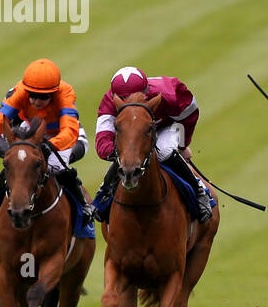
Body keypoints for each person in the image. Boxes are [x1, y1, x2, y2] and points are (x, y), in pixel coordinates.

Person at [0, 59, 93, 233]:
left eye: (43, 97)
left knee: (57, 167)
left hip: (58, 134)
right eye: (32, 95)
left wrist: (51, 146)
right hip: (32, 127)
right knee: (18, 163)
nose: (36, 101)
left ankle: (83, 206)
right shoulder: (19, 93)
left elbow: (69, 131)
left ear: (53, 93)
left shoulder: (65, 94)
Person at [91, 66, 213, 224]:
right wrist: (127, 151)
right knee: (126, 158)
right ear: (116, 99)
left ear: (146, 92)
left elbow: (189, 114)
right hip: (132, 136)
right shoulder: (108, 103)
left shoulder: (169, 94)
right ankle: (104, 193)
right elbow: (102, 144)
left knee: (164, 150)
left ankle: (198, 191)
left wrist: (183, 145)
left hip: (166, 128)